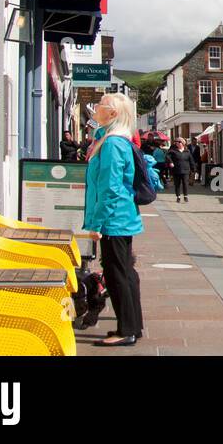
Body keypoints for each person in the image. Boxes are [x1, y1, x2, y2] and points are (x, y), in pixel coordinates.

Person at [82, 92, 145, 347]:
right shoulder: (108, 139)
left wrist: (97, 224)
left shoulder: (113, 144)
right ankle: (132, 326)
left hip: (114, 219)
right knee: (124, 272)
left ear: (114, 113)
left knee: (117, 273)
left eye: (102, 104)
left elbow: (110, 187)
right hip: (118, 217)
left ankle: (127, 330)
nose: (96, 107)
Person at [168, 137, 194, 203]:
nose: (177, 143)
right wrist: (171, 162)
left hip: (185, 170)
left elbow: (191, 161)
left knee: (185, 183)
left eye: (179, 142)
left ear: (182, 143)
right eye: (177, 142)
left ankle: (185, 196)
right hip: (176, 170)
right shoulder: (173, 151)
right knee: (177, 184)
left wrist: (193, 169)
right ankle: (178, 197)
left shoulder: (187, 151)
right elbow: (167, 157)